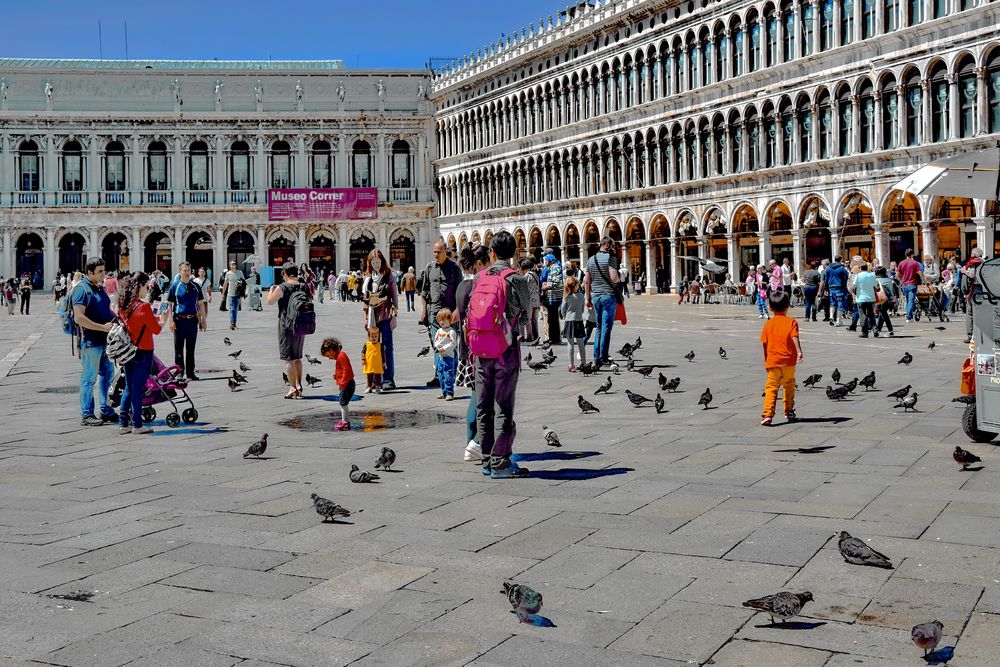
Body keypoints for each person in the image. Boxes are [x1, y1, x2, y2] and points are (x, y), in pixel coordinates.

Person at [465, 231, 530, 479]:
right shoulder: (516, 279)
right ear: (513, 254)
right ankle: (501, 462)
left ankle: (486, 461)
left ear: (491, 252)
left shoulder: (480, 277)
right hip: (505, 349)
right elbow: (526, 311)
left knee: (484, 406)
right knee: (503, 405)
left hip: (480, 350)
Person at [116, 272, 167, 434]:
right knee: (137, 389)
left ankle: (124, 424)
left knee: (128, 389)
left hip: (127, 352)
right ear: (139, 287)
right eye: (146, 286)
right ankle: (138, 425)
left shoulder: (124, 306)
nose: (147, 290)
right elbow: (156, 330)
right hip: (143, 352)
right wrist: (162, 320)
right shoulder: (143, 307)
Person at [456, 243, 492, 463]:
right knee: (482, 398)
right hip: (482, 349)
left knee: (474, 395)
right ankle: (476, 443)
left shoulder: (461, 287)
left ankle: (471, 441)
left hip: (465, 350)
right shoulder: (480, 285)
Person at [72, 258, 117, 426]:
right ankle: (87, 414)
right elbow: (79, 318)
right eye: (100, 271)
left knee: (108, 376)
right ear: (89, 272)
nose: (103, 274)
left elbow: (106, 310)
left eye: (104, 270)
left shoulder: (98, 288)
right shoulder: (81, 290)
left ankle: (106, 409)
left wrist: (117, 319)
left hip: (105, 341)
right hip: (90, 342)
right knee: (89, 378)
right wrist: (102, 327)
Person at [420, 239, 462, 387]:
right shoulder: (430, 268)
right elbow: (424, 291)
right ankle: (439, 375)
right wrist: (424, 311)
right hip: (434, 313)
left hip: (450, 313)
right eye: (434, 252)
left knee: (451, 344)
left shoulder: (454, 269)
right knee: (437, 344)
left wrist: (458, 311)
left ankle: (452, 373)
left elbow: (460, 292)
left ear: (446, 252)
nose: (436, 255)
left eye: (439, 252)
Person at [760, 290, 803, 427]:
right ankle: (789, 410)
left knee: (771, 387)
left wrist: (766, 359)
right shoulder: (791, 322)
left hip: (773, 360)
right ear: (787, 307)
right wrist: (799, 351)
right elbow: (794, 337)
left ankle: (767, 414)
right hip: (789, 360)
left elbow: (765, 344)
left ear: (771, 308)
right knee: (789, 384)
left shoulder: (768, 324)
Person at [267, 263, 309, 399]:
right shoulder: (303, 285)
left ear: (284, 273)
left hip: (286, 324)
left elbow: (270, 301)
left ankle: (292, 387)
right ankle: (300, 384)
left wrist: (270, 290)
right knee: (297, 358)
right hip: (301, 324)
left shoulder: (282, 287)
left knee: (288, 359)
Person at [361, 249, 399, 390]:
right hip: (372, 315)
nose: (376, 264)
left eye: (378, 262)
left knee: (387, 347)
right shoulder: (368, 278)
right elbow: (365, 300)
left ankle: (388, 379)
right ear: (370, 263)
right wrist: (365, 318)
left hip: (386, 314)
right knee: (373, 348)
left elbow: (394, 297)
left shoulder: (389, 276)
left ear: (382, 262)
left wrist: (394, 317)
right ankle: (374, 379)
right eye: (373, 262)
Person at [166, 262, 206, 381]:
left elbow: (200, 304)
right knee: (178, 348)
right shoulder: (175, 286)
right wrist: (170, 321)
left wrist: (203, 319)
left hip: (192, 320)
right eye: (184, 270)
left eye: (189, 270)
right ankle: (179, 372)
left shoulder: (195, 286)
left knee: (191, 347)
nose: (187, 272)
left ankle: (190, 372)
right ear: (180, 272)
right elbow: (169, 305)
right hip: (179, 320)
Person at [584, 237, 621, 365]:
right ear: (607, 244)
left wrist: (587, 299)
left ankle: (596, 356)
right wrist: (619, 278)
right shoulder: (611, 258)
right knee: (606, 327)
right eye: (613, 245)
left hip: (595, 296)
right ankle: (603, 356)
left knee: (599, 326)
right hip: (608, 296)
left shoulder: (591, 259)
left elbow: (587, 281)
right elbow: (614, 277)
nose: (614, 248)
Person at [321, 337, 354, 431]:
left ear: (331, 350)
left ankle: (345, 422)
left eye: (328, 356)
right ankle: (344, 420)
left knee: (343, 403)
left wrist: (343, 383)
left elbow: (346, 371)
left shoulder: (341, 356)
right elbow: (343, 370)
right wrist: (337, 376)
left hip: (347, 384)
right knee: (343, 403)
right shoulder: (340, 356)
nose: (329, 358)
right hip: (346, 384)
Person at [560, 276, 586, 371]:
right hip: (578, 320)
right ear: (576, 285)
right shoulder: (581, 296)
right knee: (581, 343)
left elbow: (563, 309)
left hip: (569, 321)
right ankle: (583, 363)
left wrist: (565, 316)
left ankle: (571, 365)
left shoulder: (566, 296)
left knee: (570, 344)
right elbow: (583, 308)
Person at [433, 308, 458, 400]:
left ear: (450, 320)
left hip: (448, 356)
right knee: (440, 373)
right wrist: (438, 347)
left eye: (444, 319)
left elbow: (453, 343)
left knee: (448, 374)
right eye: (440, 320)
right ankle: (443, 391)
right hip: (440, 356)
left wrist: (444, 348)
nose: (442, 322)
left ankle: (449, 392)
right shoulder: (439, 331)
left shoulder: (451, 332)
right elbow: (435, 341)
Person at [961, 247, 985, 343]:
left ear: (973, 254)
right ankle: (980, 334)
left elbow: (971, 275)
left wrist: (964, 271)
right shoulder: (985, 263)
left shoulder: (972, 263)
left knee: (970, 313)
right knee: (980, 313)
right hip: (983, 290)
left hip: (974, 289)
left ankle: (971, 336)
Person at [540, 253, 563, 345]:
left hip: (554, 298)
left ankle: (555, 338)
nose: (545, 262)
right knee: (552, 319)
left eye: (546, 260)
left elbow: (556, 282)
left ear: (549, 261)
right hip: (552, 297)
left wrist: (546, 287)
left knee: (553, 319)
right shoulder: (553, 267)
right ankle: (554, 338)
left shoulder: (555, 268)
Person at [896, 248, 924, 322]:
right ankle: (908, 316)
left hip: (904, 285)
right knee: (911, 301)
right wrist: (925, 280)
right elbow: (920, 273)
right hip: (912, 284)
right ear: (912, 254)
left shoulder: (901, 263)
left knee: (909, 301)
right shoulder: (915, 263)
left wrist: (902, 280)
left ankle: (910, 315)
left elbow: (897, 275)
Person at [852, 261, 878, 338]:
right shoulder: (871, 275)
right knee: (871, 315)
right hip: (870, 298)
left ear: (860, 268)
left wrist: (850, 290)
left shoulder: (858, 276)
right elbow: (876, 286)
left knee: (862, 315)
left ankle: (864, 332)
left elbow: (853, 286)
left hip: (861, 298)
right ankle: (875, 329)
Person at [822, 255, 850, 326]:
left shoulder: (828, 268)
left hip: (831, 288)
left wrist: (826, 288)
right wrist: (845, 287)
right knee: (840, 304)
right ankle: (838, 320)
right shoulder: (842, 268)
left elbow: (826, 279)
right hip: (840, 289)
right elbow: (845, 278)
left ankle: (831, 316)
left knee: (832, 303)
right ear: (840, 260)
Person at [518, 258, 540, 344]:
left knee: (528, 320)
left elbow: (524, 289)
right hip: (536, 300)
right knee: (534, 320)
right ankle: (536, 336)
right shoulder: (535, 274)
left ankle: (530, 337)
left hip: (529, 301)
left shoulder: (527, 276)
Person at [221, 261, 246, 331]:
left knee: (235, 309)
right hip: (230, 294)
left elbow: (244, 281)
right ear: (230, 266)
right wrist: (223, 293)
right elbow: (225, 284)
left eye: (234, 264)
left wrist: (240, 283)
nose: (234, 265)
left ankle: (234, 323)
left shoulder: (239, 272)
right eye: (232, 264)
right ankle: (232, 323)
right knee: (232, 309)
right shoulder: (228, 273)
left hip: (238, 294)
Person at [873, 266, 895, 337]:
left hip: (880, 298)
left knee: (883, 314)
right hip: (889, 299)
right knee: (882, 313)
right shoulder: (889, 280)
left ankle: (890, 330)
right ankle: (878, 330)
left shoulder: (875, 280)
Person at [362, 326, 385, 394]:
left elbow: (383, 354)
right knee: (369, 377)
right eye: (372, 337)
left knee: (378, 377)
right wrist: (363, 359)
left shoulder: (380, 345)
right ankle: (369, 387)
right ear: (369, 336)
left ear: (378, 337)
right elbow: (363, 352)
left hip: (377, 364)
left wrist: (384, 362)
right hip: (369, 364)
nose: (374, 338)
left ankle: (378, 387)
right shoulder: (367, 344)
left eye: (376, 336)